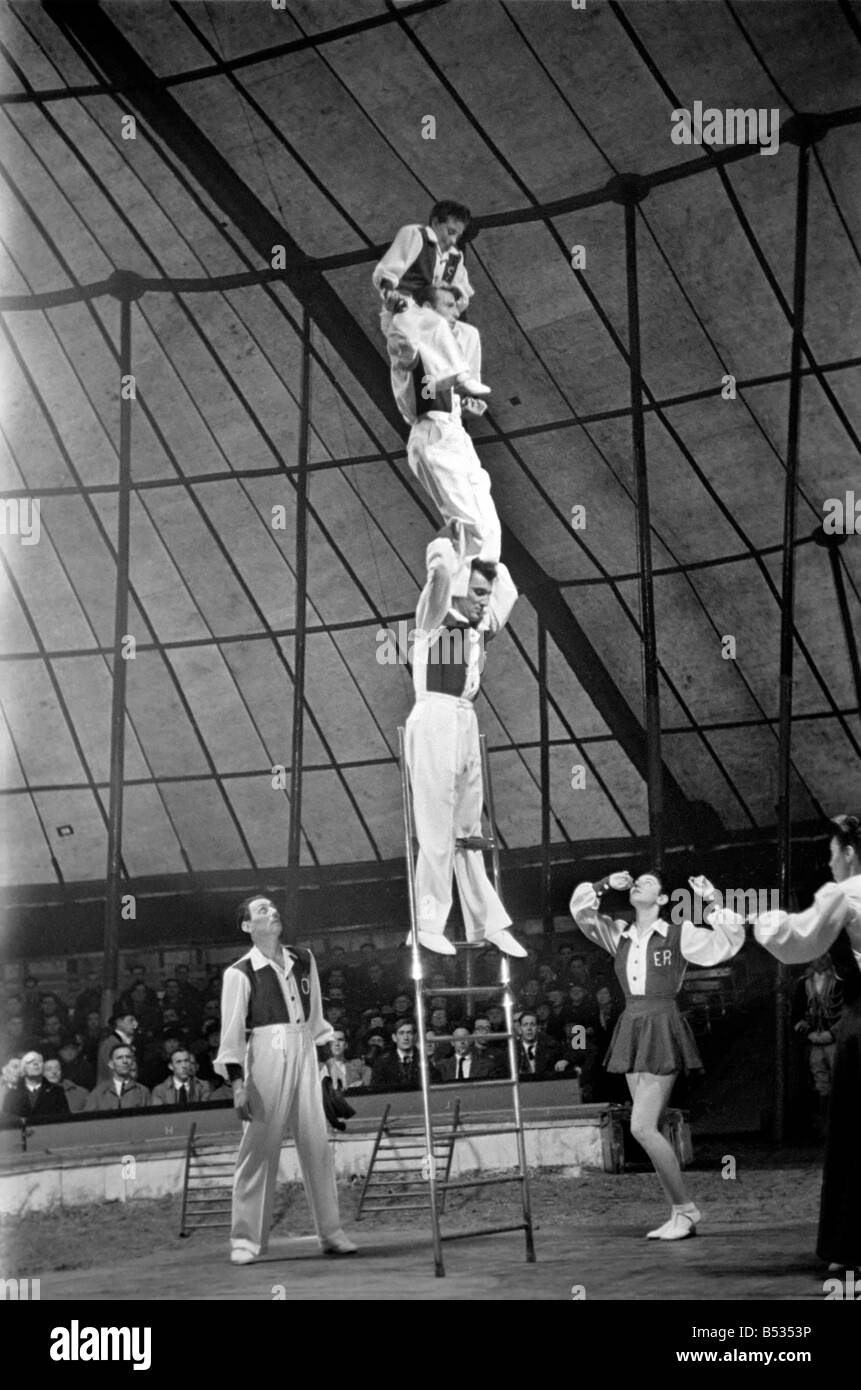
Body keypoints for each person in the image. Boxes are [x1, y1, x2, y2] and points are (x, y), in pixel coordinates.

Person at [570, 869, 745, 1240]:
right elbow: (582, 912)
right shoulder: (618, 933)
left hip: (662, 1025)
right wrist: (602, 884)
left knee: (641, 1127)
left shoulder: (679, 933)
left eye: (648, 884)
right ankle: (678, 1212)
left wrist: (712, 900)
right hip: (632, 1025)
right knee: (652, 1127)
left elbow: (729, 940)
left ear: (663, 900)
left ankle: (686, 1209)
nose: (639, 885)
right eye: (637, 882)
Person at [215, 894, 356, 1265]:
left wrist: (330, 1062)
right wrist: (238, 1084)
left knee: (317, 1146)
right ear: (248, 926)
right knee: (258, 1149)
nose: (272, 911)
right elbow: (231, 1036)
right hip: (265, 1054)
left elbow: (317, 1018)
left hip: (305, 1050)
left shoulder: (304, 958)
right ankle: (246, 1241)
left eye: (273, 907)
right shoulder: (239, 973)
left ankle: (331, 1233)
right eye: (262, 910)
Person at [404, 528, 526, 959]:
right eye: (476, 592)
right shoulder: (434, 619)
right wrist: (454, 550)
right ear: (458, 587)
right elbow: (437, 572)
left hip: (464, 721)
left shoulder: (477, 630)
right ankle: (428, 922)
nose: (483, 600)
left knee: (468, 833)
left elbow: (508, 589)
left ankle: (487, 921)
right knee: (436, 832)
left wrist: (482, 544)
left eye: (484, 594)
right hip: (434, 717)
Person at [753, 813, 861, 1275]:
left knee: (856, 1132)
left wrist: (753, 920)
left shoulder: (847, 893)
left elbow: (798, 940)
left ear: (850, 851)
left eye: (833, 852)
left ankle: (852, 1244)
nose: (829, 862)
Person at [391, 286, 500, 570]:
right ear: (427, 308)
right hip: (433, 437)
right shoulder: (413, 351)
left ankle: (467, 588)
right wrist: (405, 310)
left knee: (489, 535)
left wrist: (460, 408)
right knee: (471, 528)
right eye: (449, 306)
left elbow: (434, 394)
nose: (456, 313)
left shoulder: (442, 355)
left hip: (452, 433)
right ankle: (443, 580)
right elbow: (422, 390)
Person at [373, 199, 489, 400]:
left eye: (458, 236)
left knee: (469, 334)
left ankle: (466, 385)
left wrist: (450, 289)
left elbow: (463, 293)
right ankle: (440, 387)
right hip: (404, 313)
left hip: (432, 321)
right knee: (430, 342)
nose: (453, 240)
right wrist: (389, 292)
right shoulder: (416, 235)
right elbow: (389, 270)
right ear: (435, 223)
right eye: (450, 232)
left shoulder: (455, 257)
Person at [85, 1042, 151, 1111]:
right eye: (119, 1058)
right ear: (111, 1064)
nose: (125, 1061)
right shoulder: (99, 1093)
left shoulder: (143, 1092)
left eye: (128, 1057)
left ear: (132, 1062)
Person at [2, 1051, 69, 1119]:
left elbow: (66, 1121)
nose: (35, 1064)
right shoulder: (11, 1095)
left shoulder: (57, 1091)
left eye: (39, 1061)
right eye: (30, 1062)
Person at [370, 1020, 421, 1090]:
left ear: (415, 1037)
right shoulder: (382, 1063)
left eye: (409, 1033)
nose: (406, 1038)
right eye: (401, 1033)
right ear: (394, 1038)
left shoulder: (423, 1060)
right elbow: (375, 1091)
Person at [516, 1012, 560, 1078]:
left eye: (532, 1024)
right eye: (525, 1025)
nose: (529, 1028)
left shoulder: (551, 1047)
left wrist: (565, 1060)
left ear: (538, 1027)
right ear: (520, 1029)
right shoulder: (512, 1051)